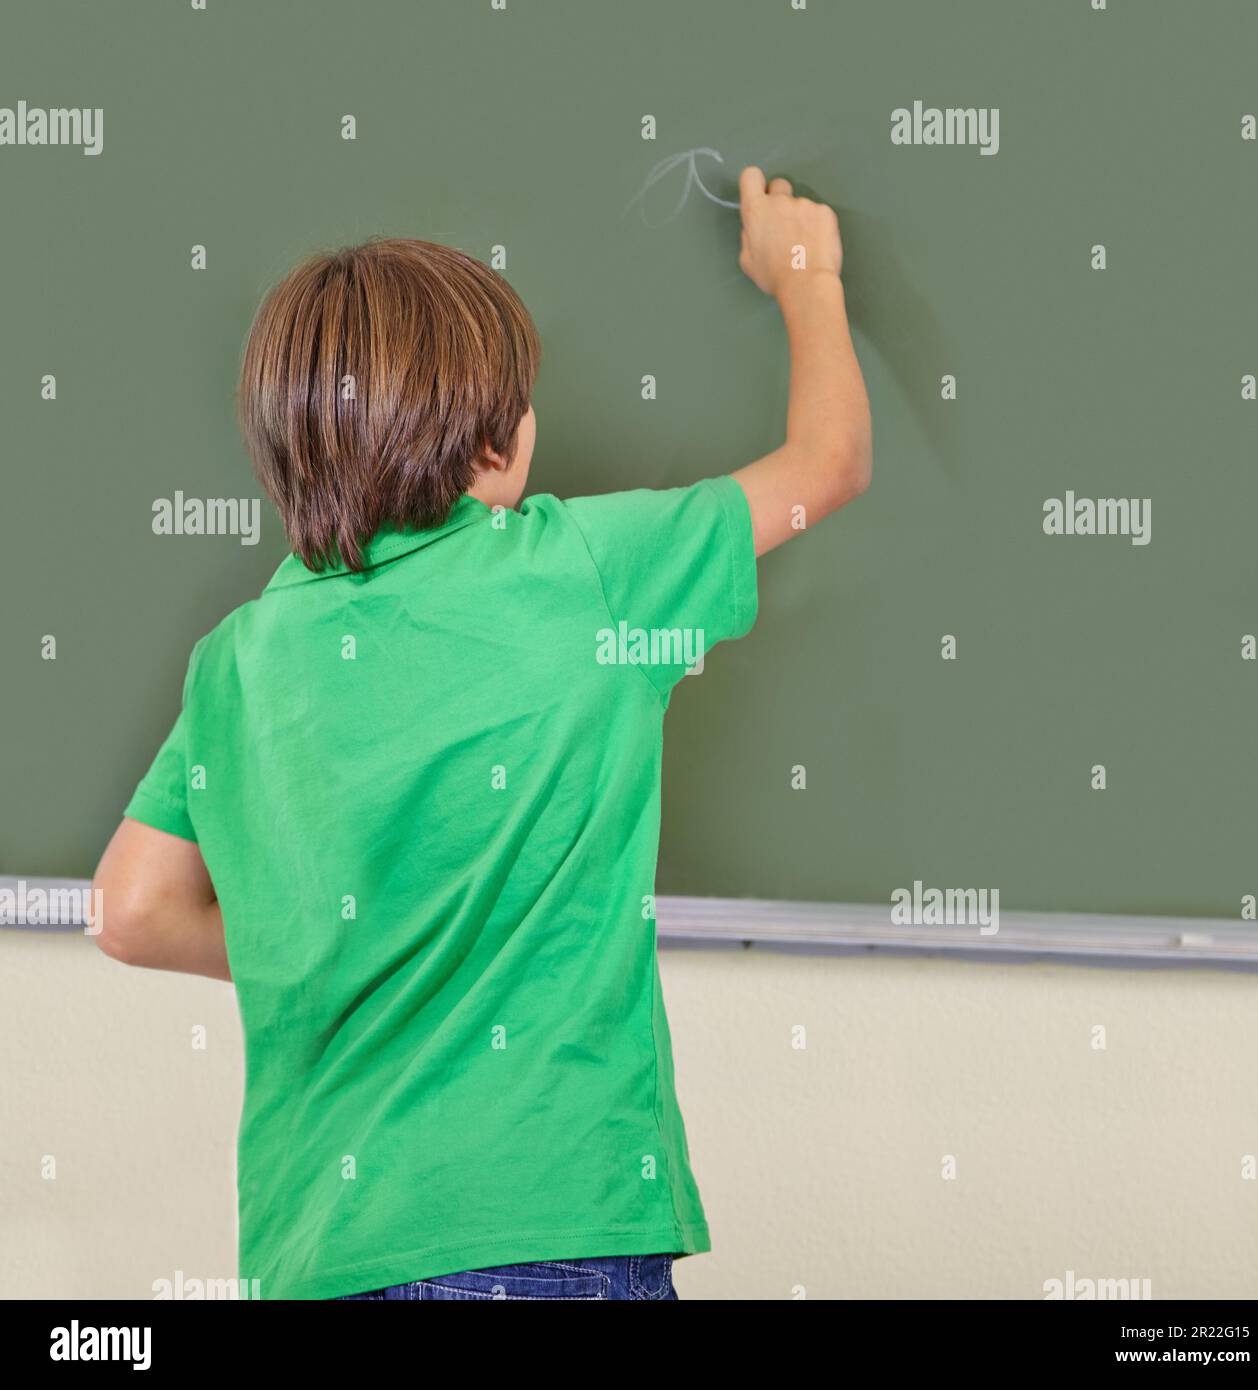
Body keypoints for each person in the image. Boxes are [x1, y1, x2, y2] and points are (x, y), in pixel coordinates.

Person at [90, 167, 872, 1300]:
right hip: (546, 1219)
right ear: (496, 444)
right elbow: (827, 466)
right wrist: (808, 278)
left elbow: (128, 910)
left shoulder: (245, 657)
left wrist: (336, 944)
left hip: (321, 1248)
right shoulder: (587, 574)